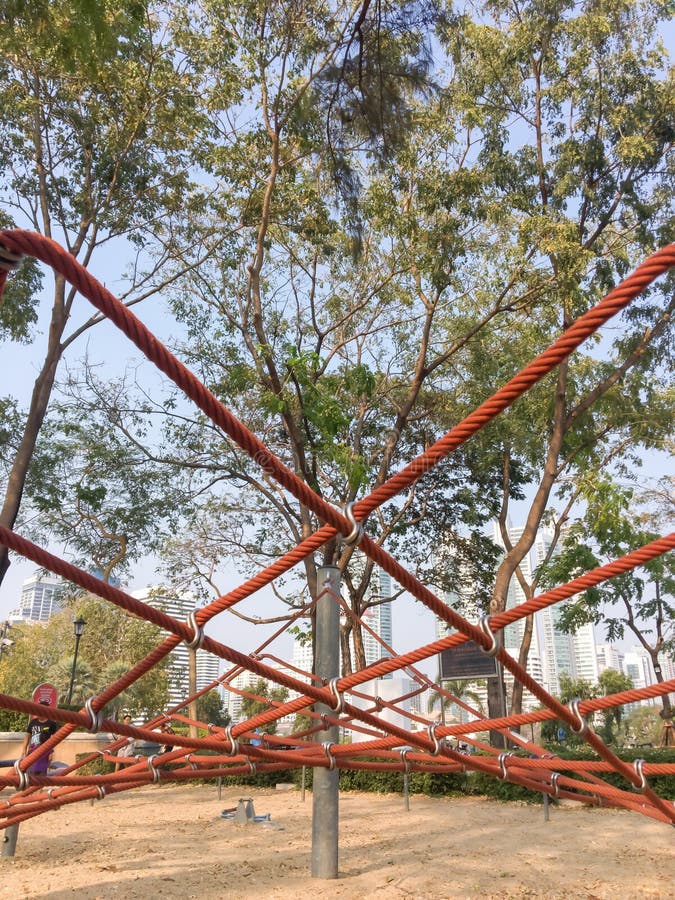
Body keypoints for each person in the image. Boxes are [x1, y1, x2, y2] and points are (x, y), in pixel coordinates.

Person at [21, 700, 58, 775]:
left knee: (41, 776)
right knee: (30, 774)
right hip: (32, 752)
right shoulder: (33, 722)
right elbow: (28, 736)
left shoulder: (52, 724)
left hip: (44, 754)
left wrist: (51, 753)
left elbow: (53, 740)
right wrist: (24, 749)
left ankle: (37, 787)